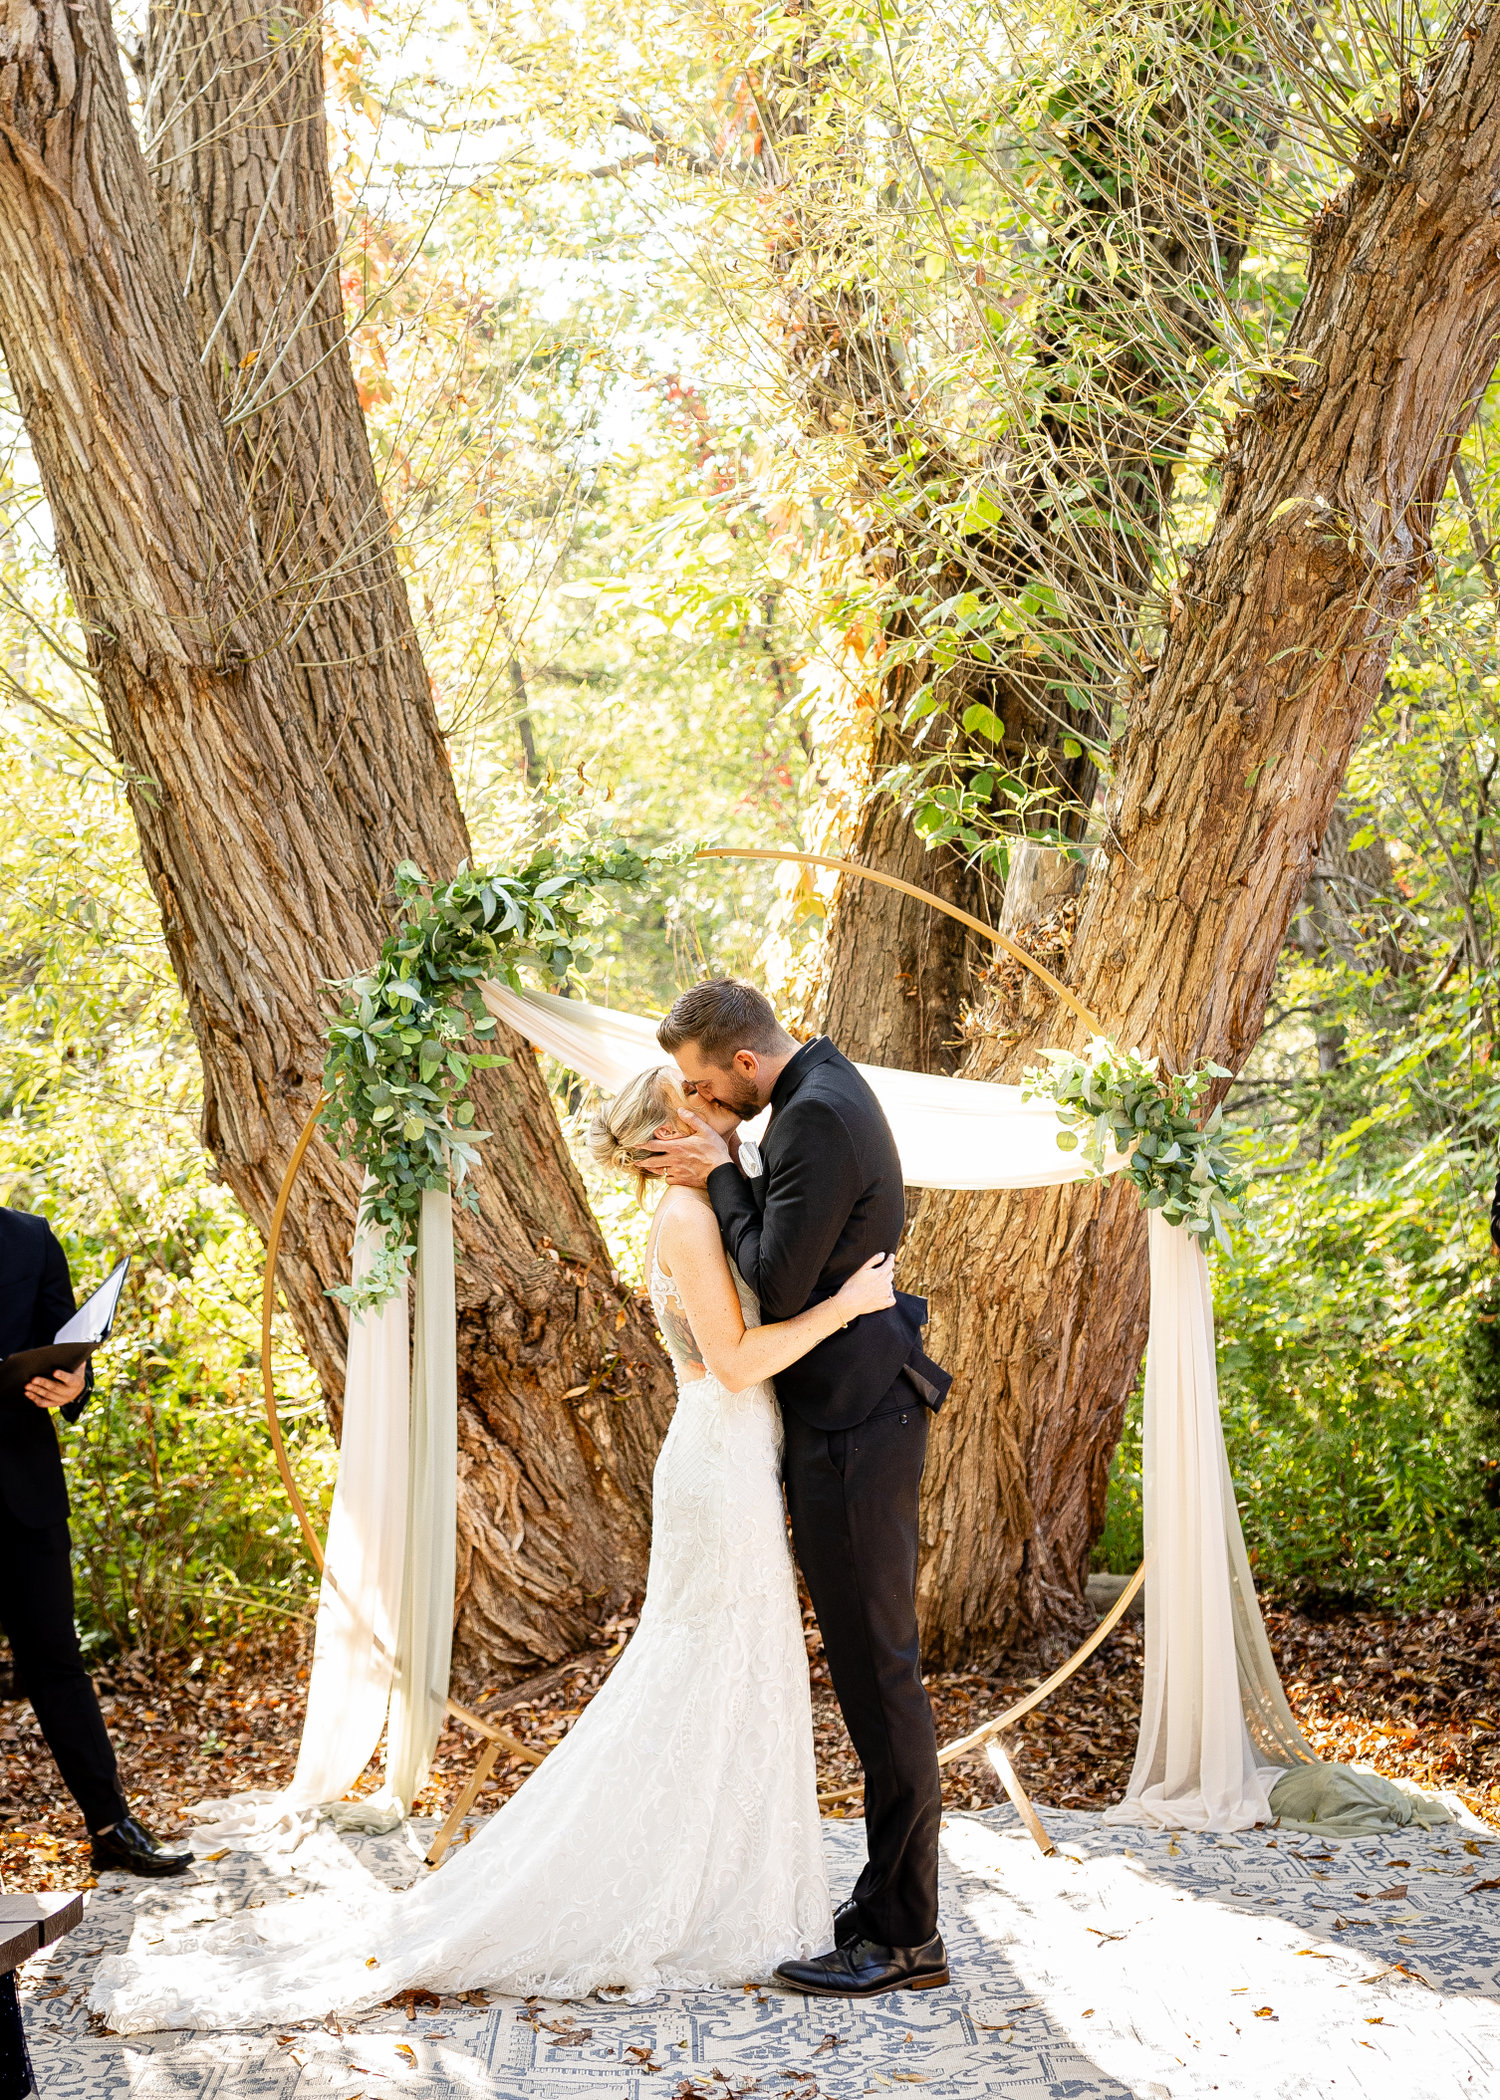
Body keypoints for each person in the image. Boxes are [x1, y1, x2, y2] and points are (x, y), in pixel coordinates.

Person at [90, 1071, 898, 2031]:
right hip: (718, 1463)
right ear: (672, 1132)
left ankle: (725, 1881)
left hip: (734, 1457)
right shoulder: (687, 1220)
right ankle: (666, 1887)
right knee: (709, 1666)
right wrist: (850, 1307)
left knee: (735, 1669)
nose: (724, 1107)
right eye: (702, 1101)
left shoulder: (713, 1204)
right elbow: (732, 1362)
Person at [647, 979, 952, 2000]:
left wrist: (721, 1175)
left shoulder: (816, 1112)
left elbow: (777, 1284)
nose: (700, 1105)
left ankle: (905, 1937)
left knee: (881, 1679)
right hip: (844, 1418)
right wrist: (733, 1170)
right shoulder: (816, 1091)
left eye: (703, 1085)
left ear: (743, 1062)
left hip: (857, 1426)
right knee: (872, 1677)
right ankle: (882, 1905)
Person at [0, 1205, 189, 1877]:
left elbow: (67, 1352)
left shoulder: (30, 1238)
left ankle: (111, 1827)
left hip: (24, 1496)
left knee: (57, 1664)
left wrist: (74, 1384)